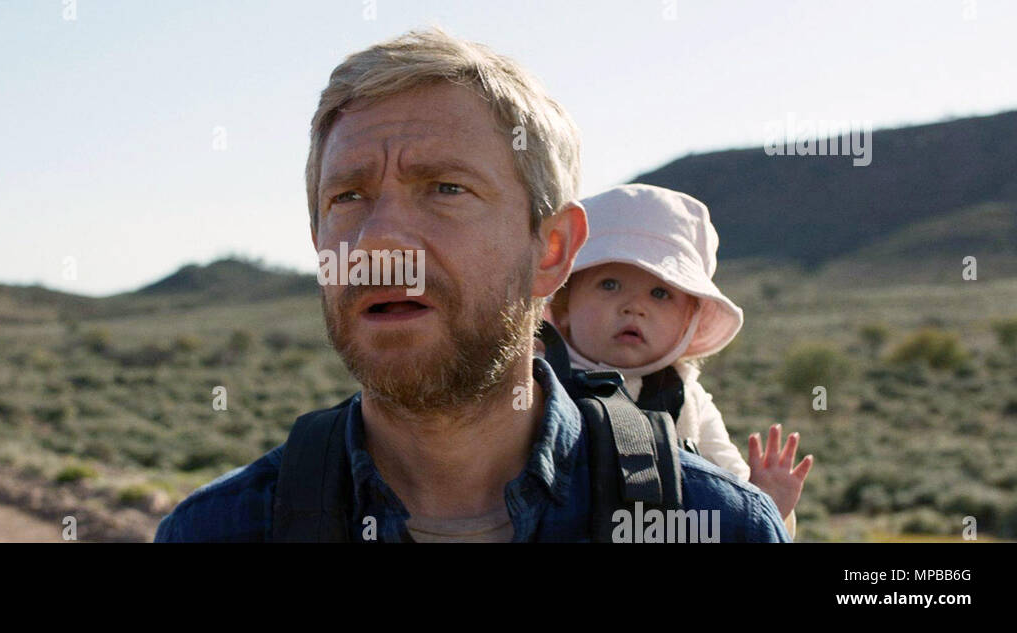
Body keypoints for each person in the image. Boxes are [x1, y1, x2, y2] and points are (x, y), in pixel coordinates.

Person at [154, 28, 789, 542]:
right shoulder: (218, 530)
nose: (380, 241)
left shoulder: (718, 529)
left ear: (553, 249)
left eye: (445, 188)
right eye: (347, 197)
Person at [543, 184, 813, 537]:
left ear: (688, 321)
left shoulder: (686, 397)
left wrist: (767, 502)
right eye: (609, 284)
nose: (633, 307)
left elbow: (730, 487)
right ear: (564, 306)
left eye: (660, 293)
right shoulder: (537, 380)